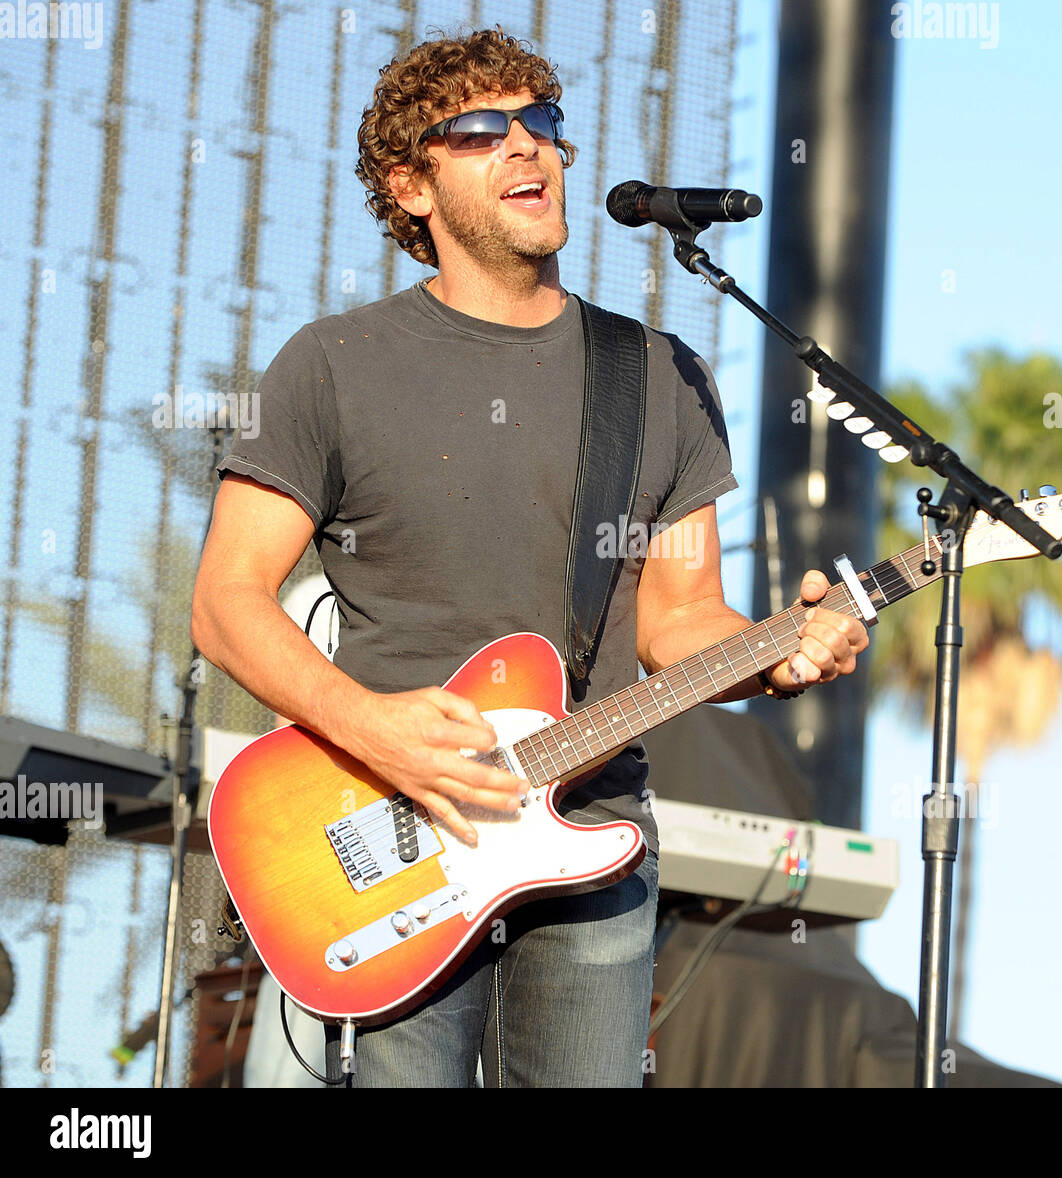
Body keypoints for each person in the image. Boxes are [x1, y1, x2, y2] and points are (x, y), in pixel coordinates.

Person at [189, 27, 869, 1088]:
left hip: (591, 824)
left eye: (541, 122)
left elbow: (681, 619)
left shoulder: (657, 376)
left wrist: (783, 649)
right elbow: (227, 603)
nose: (527, 147)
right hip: (393, 827)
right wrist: (373, 727)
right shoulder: (334, 365)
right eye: (480, 131)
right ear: (409, 185)